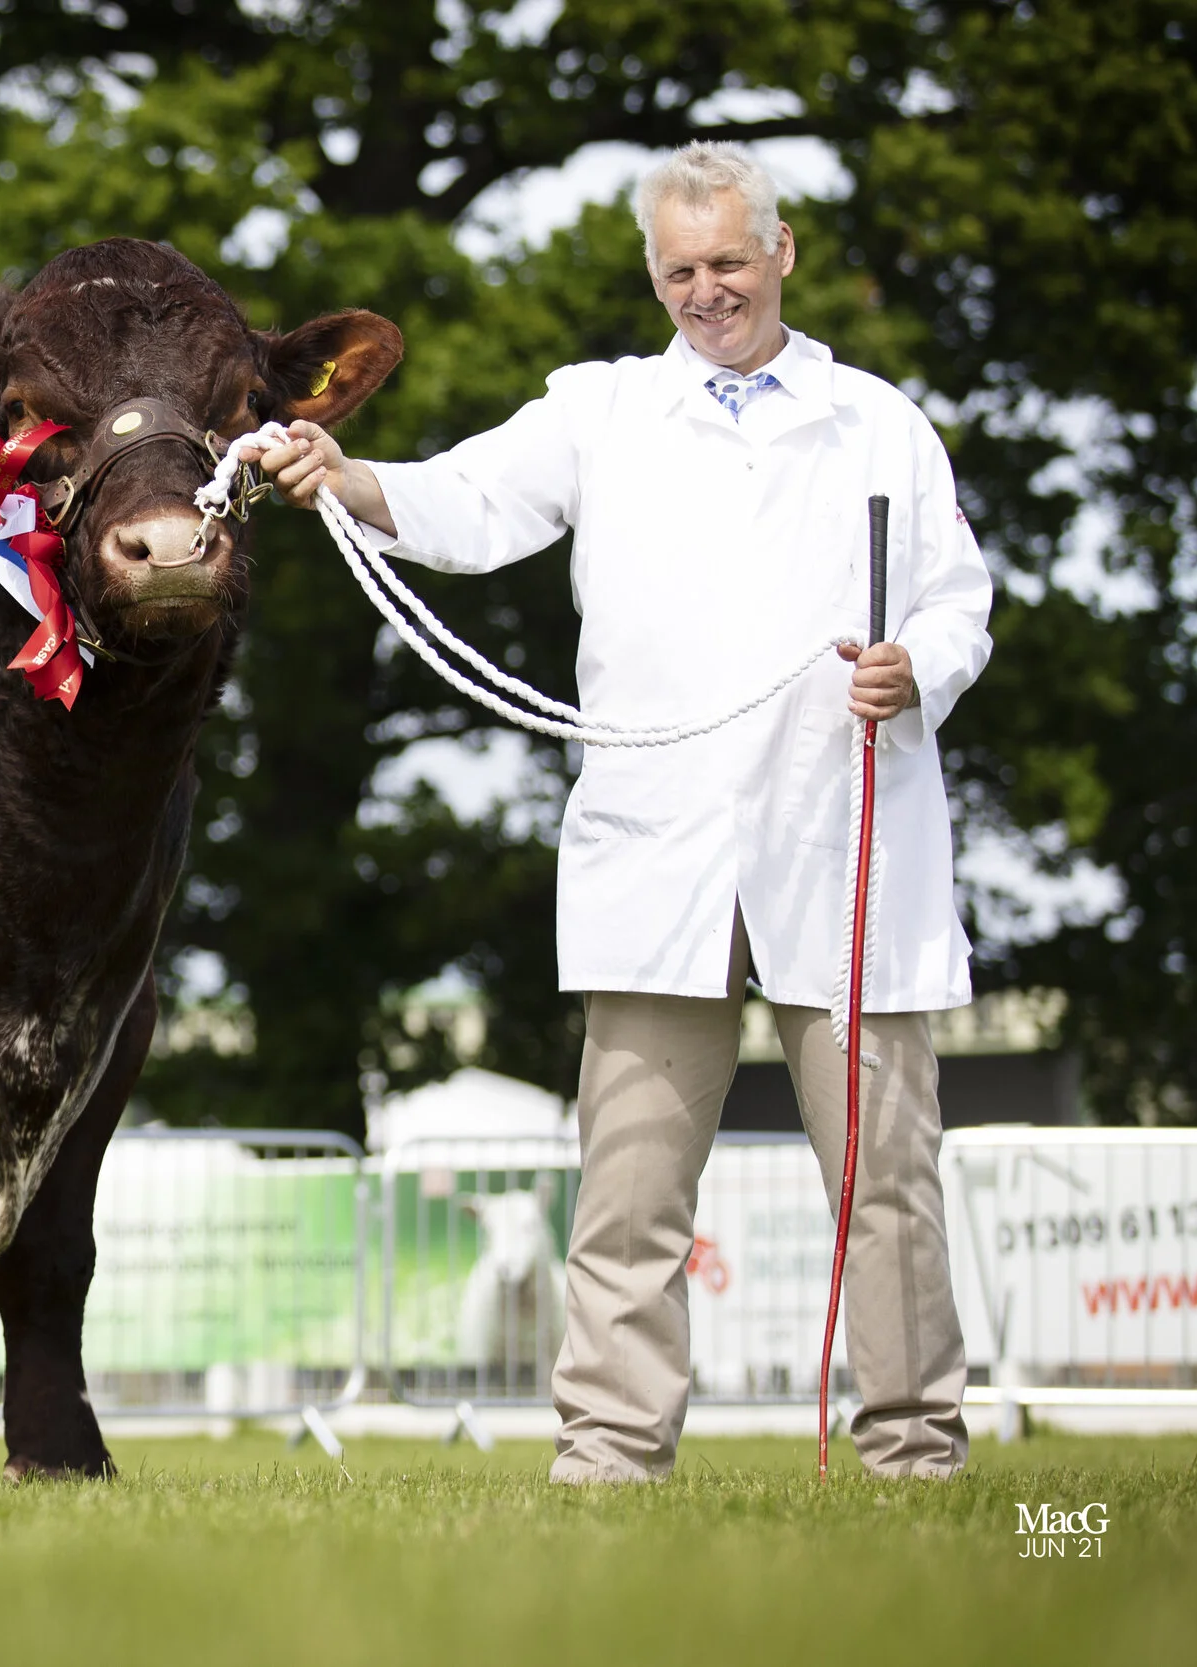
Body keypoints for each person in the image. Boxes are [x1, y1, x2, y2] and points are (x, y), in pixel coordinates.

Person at [261, 141, 990, 1481]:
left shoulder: (880, 420)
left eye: (725, 261)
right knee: (632, 1192)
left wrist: (918, 665)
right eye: (677, 270)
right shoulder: (597, 410)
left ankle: (915, 1450)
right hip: (662, 858)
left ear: (782, 252)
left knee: (886, 1187)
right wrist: (346, 474)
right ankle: (608, 1455)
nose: (704, 290)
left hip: (846, 839)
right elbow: (468, 503)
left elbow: (958, 600)